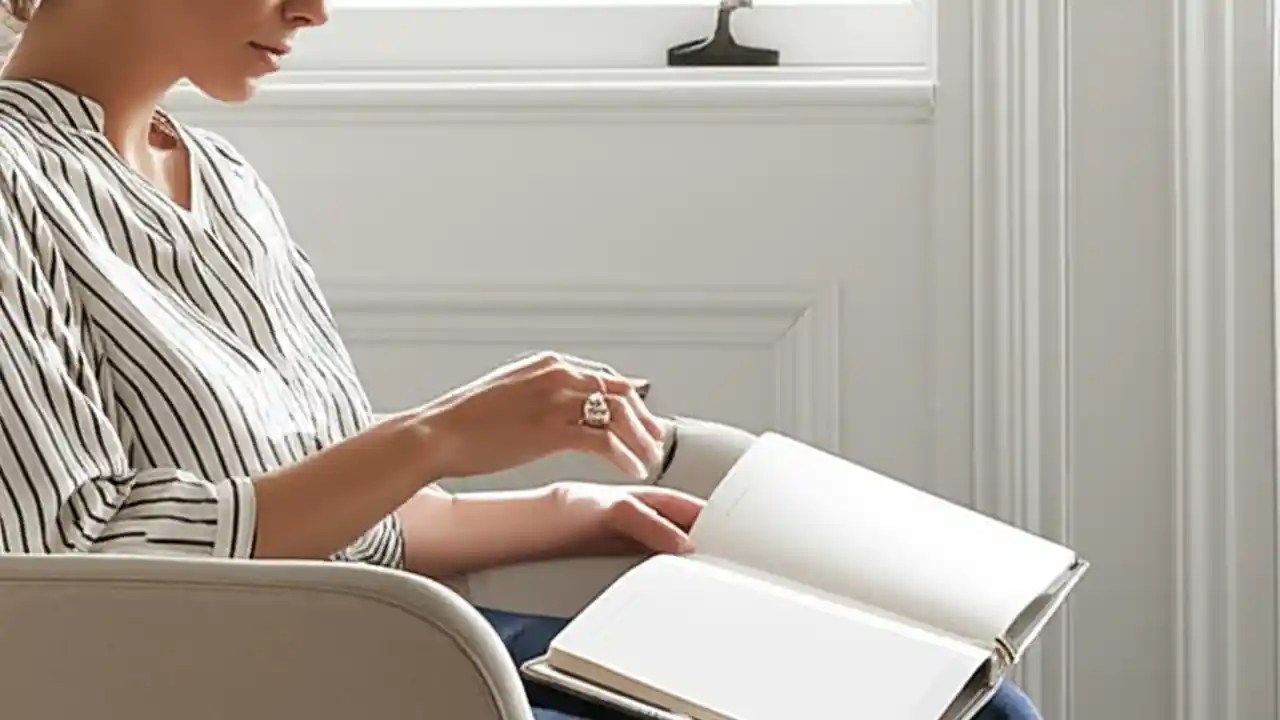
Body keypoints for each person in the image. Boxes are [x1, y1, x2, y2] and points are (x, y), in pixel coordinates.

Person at [0, 2, 1041, 718]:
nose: (317, 10)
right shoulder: (13, 179)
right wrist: (439, 436)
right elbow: (72, 560)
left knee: (969, 698)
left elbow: (341, 525)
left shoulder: (221, 178)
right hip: (271, 677)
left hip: (403, 636)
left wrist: (565, 509)